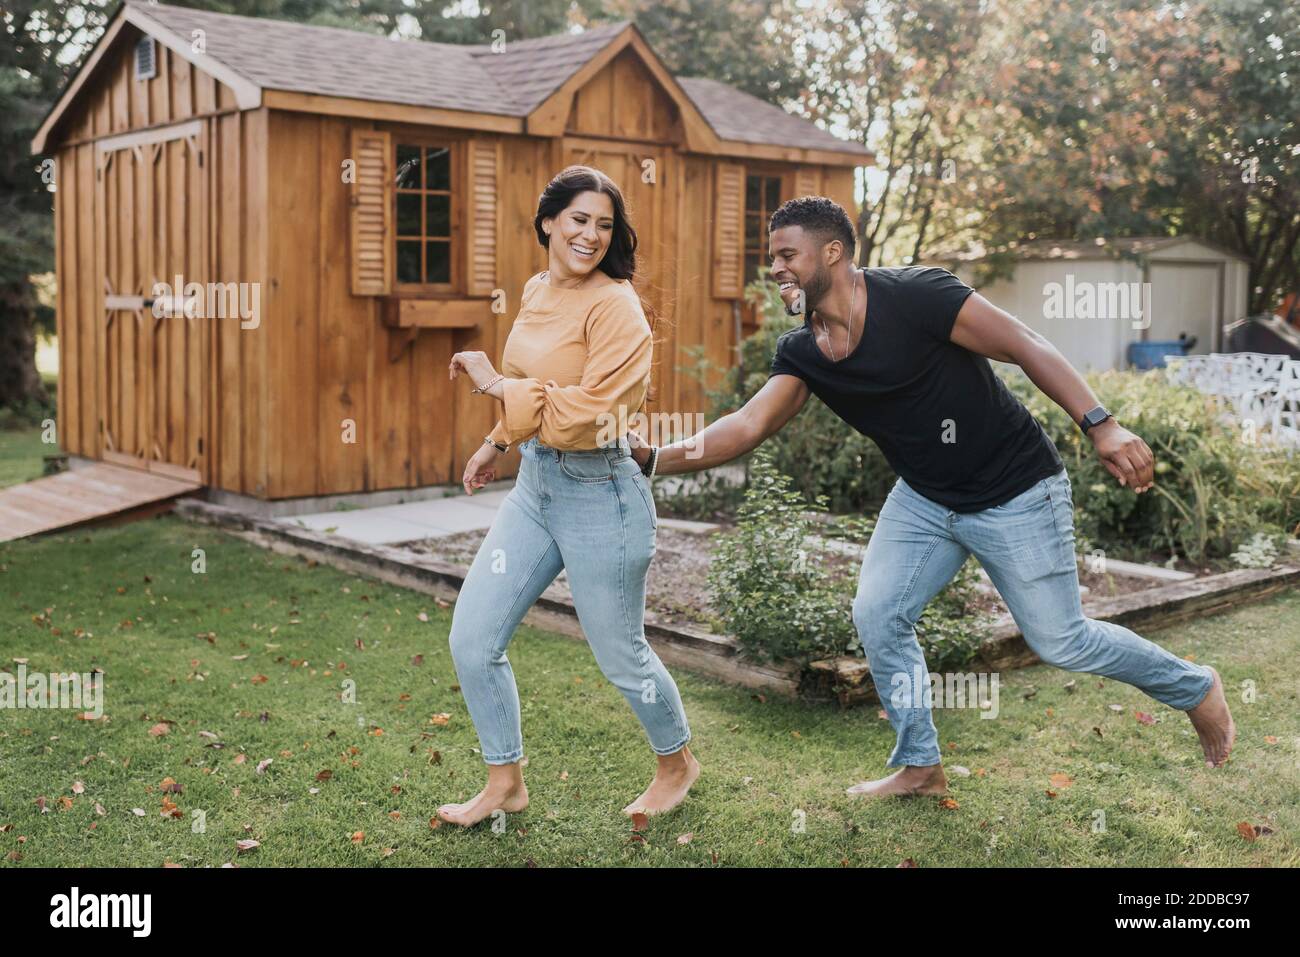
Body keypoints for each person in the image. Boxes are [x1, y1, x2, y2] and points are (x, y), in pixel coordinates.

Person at [631, 196, 1235, 799]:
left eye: (788, 255)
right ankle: (920, 765)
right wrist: (656, 457)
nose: (776, 269)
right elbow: (746, 425)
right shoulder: (804, 352)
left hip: (1016, 489)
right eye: (773, 258)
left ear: (832, 252)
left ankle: (1195, 687)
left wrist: (1101, 424)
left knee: (1061, 640)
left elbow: (1023, 342)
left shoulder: (917, 295)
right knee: (878, 613)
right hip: (925, 500)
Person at [440, 166, 699, 827]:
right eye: (579, 219)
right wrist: (498, 440)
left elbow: (589, 414)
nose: (591, 235)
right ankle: (505, 782)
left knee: (621, 653)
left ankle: (676, 764)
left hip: (601, 492)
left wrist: (493, 385)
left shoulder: (616, 308)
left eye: (604, 225)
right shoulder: (536, 289)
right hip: (536, 486)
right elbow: (536, 384)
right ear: (549, 221)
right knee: (473, 637)